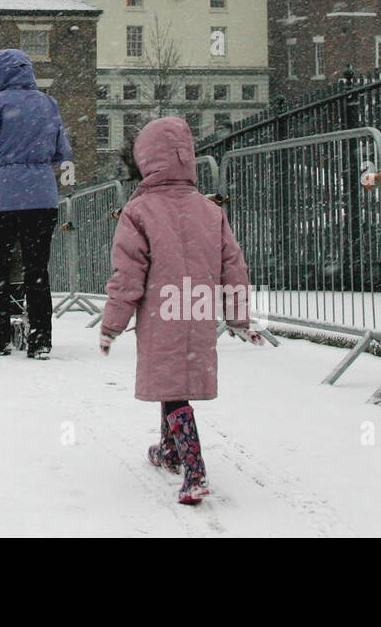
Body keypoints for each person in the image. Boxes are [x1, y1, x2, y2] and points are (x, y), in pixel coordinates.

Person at [98, 115, 261, 504]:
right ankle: (168, 450)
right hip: (198, 309)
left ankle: (194, 470)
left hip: (161, 312)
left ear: (145, 162)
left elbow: (128, 276)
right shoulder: (209, 210)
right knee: (176, 380)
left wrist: (112, 325)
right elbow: (233, 267)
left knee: (172, 389)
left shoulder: (138, 212)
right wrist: (238, 317)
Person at [0, 48, 71, 359]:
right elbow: (62, 150)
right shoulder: (47, 103)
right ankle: (41, 338)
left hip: (4, 198)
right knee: (37, 269)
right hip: (42, 196)